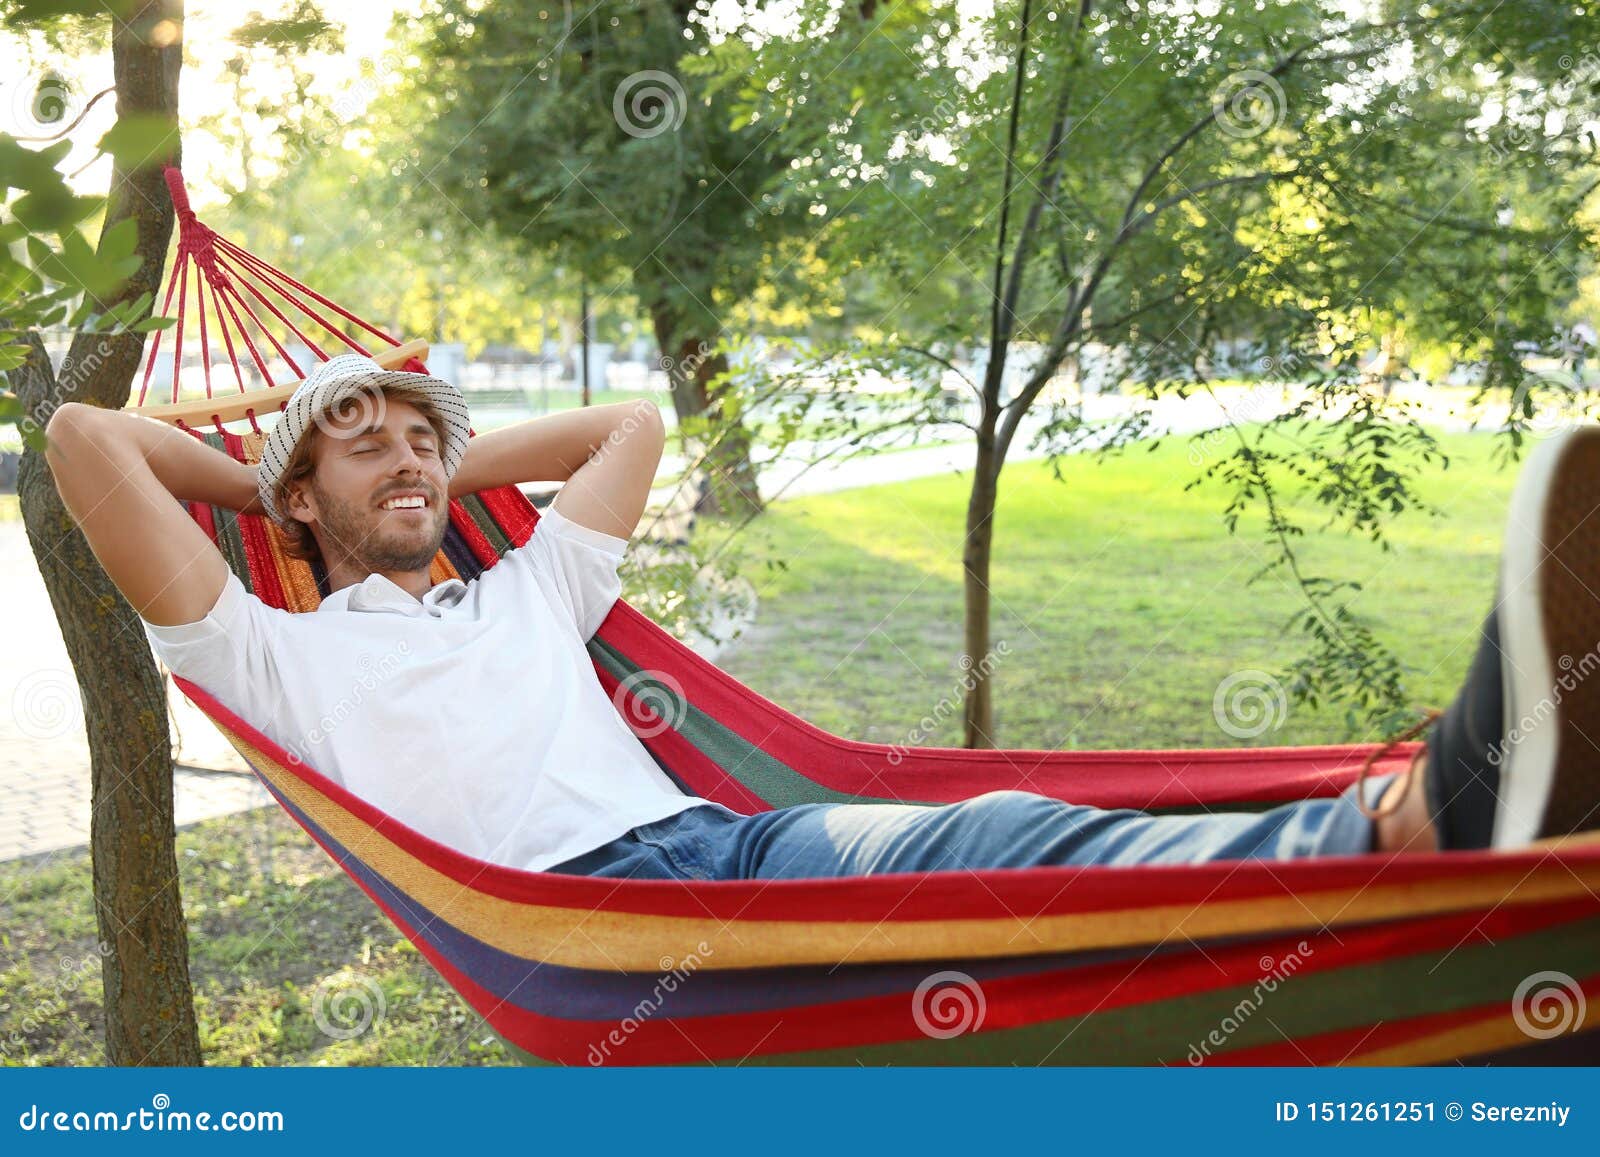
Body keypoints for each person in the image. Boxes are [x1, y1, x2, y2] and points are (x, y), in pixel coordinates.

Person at [42, 354, 1600, 883]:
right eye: (363, 437)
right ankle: (1427, 823)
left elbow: (628, 426)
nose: (410, 448)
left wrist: (412, 454)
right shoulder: (266, 647)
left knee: (997, 834)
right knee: (996, 854)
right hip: (571, 926)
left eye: (423, 433)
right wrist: (267, 479)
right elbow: (81, 442)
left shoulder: (534, 583)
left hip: (723, 853)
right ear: (288, 505)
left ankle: (1419, 817)